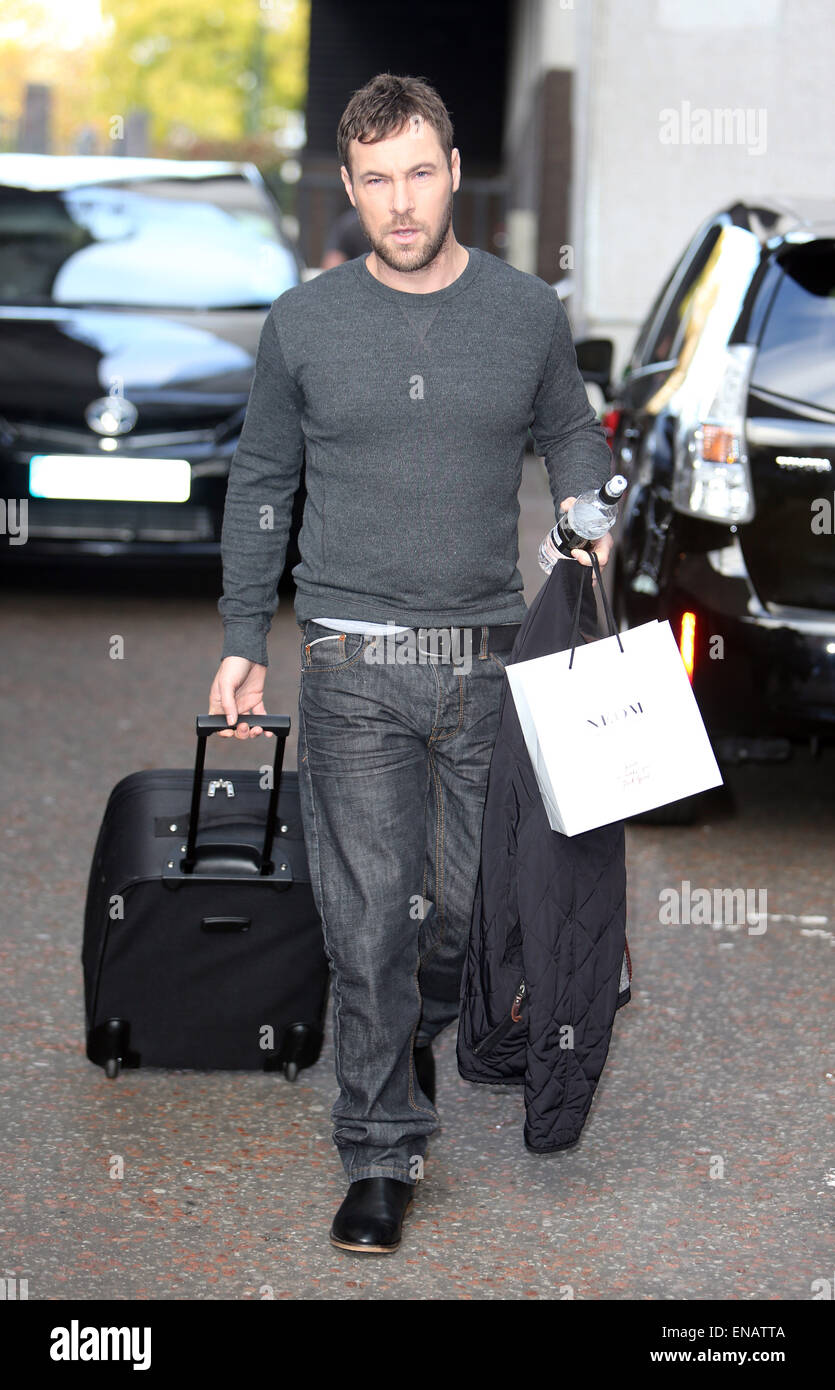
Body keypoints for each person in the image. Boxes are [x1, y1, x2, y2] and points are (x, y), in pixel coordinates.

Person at [207, 71, 613, 1255]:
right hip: (352, 663)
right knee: (370, 919)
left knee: (466, 920)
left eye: (420, 172)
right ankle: (380, 1148)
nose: (400, 200)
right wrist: (243, 639)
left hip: (490, 665)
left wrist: (589, 504)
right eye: (376, 179)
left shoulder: (524, 314)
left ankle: (416, 1035)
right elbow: (261, 486)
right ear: (348, 187)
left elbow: (572, 433)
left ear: (452, 174)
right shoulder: (305, 323)